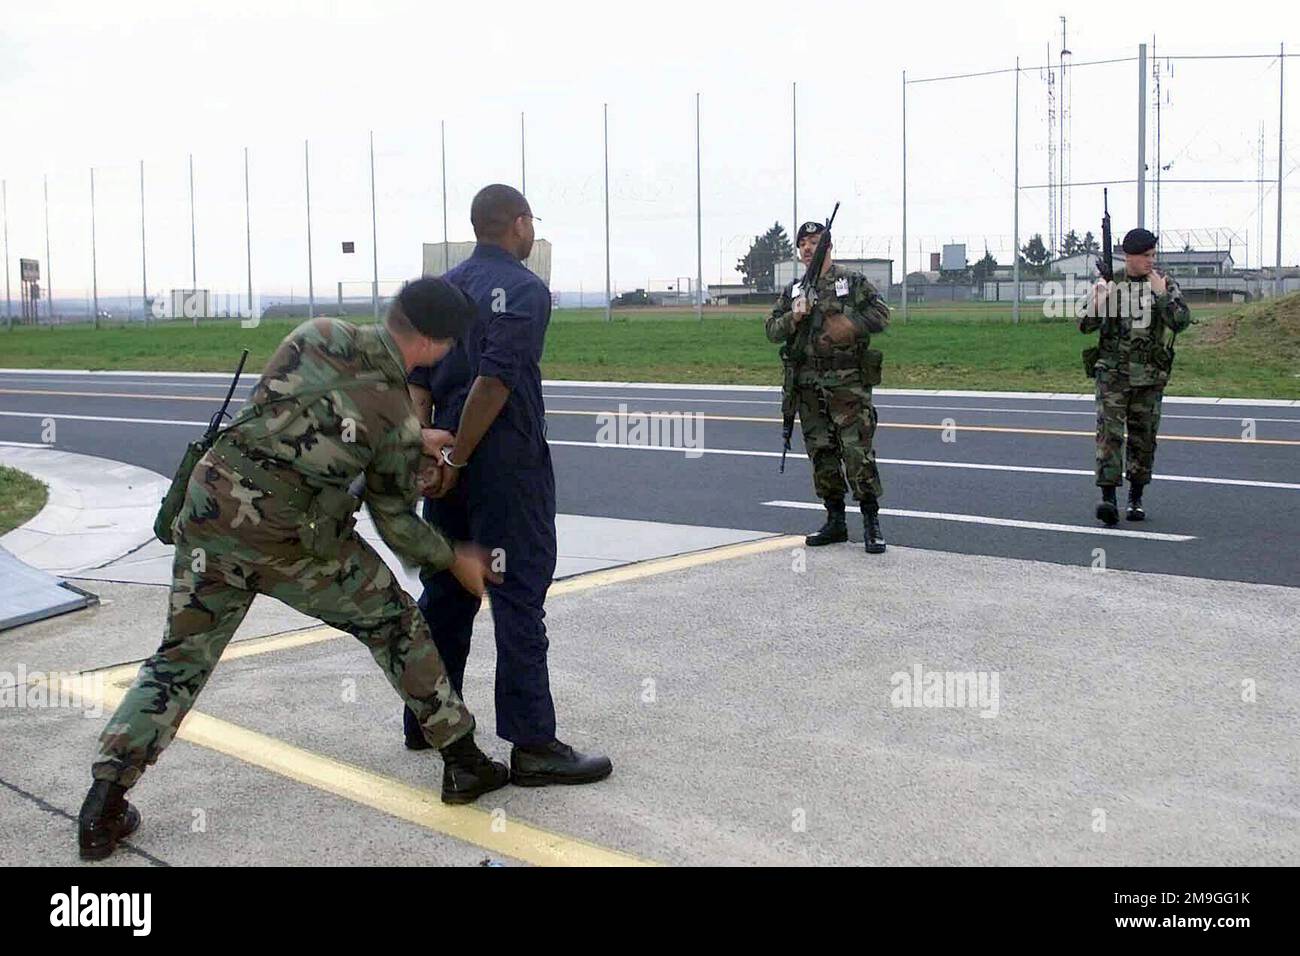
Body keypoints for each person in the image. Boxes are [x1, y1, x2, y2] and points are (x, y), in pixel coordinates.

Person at [78, 279, 508, 862]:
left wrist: (407, 442)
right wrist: (454, 558)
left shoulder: (317, 332)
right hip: (291, 539)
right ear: (434, 344)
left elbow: (299, 418)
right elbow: (397, 522)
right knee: (394, 624)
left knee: (178, 660)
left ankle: (103, 804)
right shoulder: (394, 422)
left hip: (210, 510)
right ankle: (463, 761)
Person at [402, 183, 612, 786]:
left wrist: (430, 453)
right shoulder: (524, 289)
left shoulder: (440, 292)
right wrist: (462, 457)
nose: (532, 234)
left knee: (448, 590)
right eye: (530, 224)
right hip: (501, 470)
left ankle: (429, 720)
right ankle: (533, 744)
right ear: (517, 223)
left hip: (446, 467)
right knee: (516, 596)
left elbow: (416, 379)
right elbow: (494, 384)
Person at [766, 220, 892, 553]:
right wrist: (793, 317)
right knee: (821, 452)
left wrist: (850, 324)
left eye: (814, 241)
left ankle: (871, 522)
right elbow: (771, 330)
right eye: (802, 243)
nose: (807, 248)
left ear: (827, 245)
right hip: (807, 386)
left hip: (846, 383)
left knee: (856, 452)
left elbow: (881, 315)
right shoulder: (794, 289)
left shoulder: (850, 282)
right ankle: (835, 520)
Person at [1081, 228, 1191, 525]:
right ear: (1129, 256)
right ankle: (1108, 499)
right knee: (1109, 436)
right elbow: (1084, 325)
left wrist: (1161, 294)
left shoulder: (1164, 283)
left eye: (1153, 255)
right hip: (1113, 375)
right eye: (1146, 256)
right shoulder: (1111, 281)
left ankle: (1136, 498)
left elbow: (1181, 322)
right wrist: (1099, 299)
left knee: (1143, 440)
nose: (1151, 261)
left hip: (1150, 377)